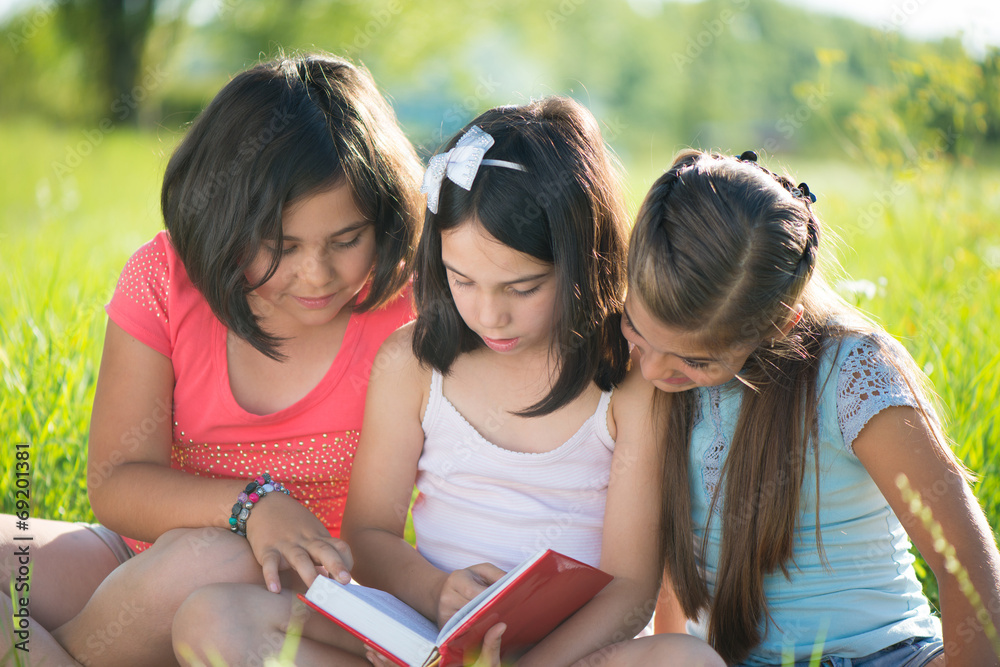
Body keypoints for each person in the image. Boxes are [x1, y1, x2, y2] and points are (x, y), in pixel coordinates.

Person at [168, 98, 724, 666]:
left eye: (523, 287)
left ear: (585, 262)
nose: (489, 314)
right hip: (428, 635)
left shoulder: (629, 385)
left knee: (688, 660)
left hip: (569, 653)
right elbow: (367, 536)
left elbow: (631, 590)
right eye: (463, 280)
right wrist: (435, 593)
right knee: (211, 618)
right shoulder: (412, 363)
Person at [0, 52, 423, 667]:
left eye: (346, 240)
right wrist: (252, 503)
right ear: (223, 221)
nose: (317, 273)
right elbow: (116, 482)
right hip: (136, 557)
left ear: (382, 219)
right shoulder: (165, 281)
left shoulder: (406, 312)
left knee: (217, 556)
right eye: (280, 246)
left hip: (293, 591)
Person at [616, 149, 1000, 666]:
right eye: (637, 330)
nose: (653, 372)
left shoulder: (850, 373)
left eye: (694, 360)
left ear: (780, 326)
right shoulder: (652, 385)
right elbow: (671, 578)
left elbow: (966, 565)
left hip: (884, 656)